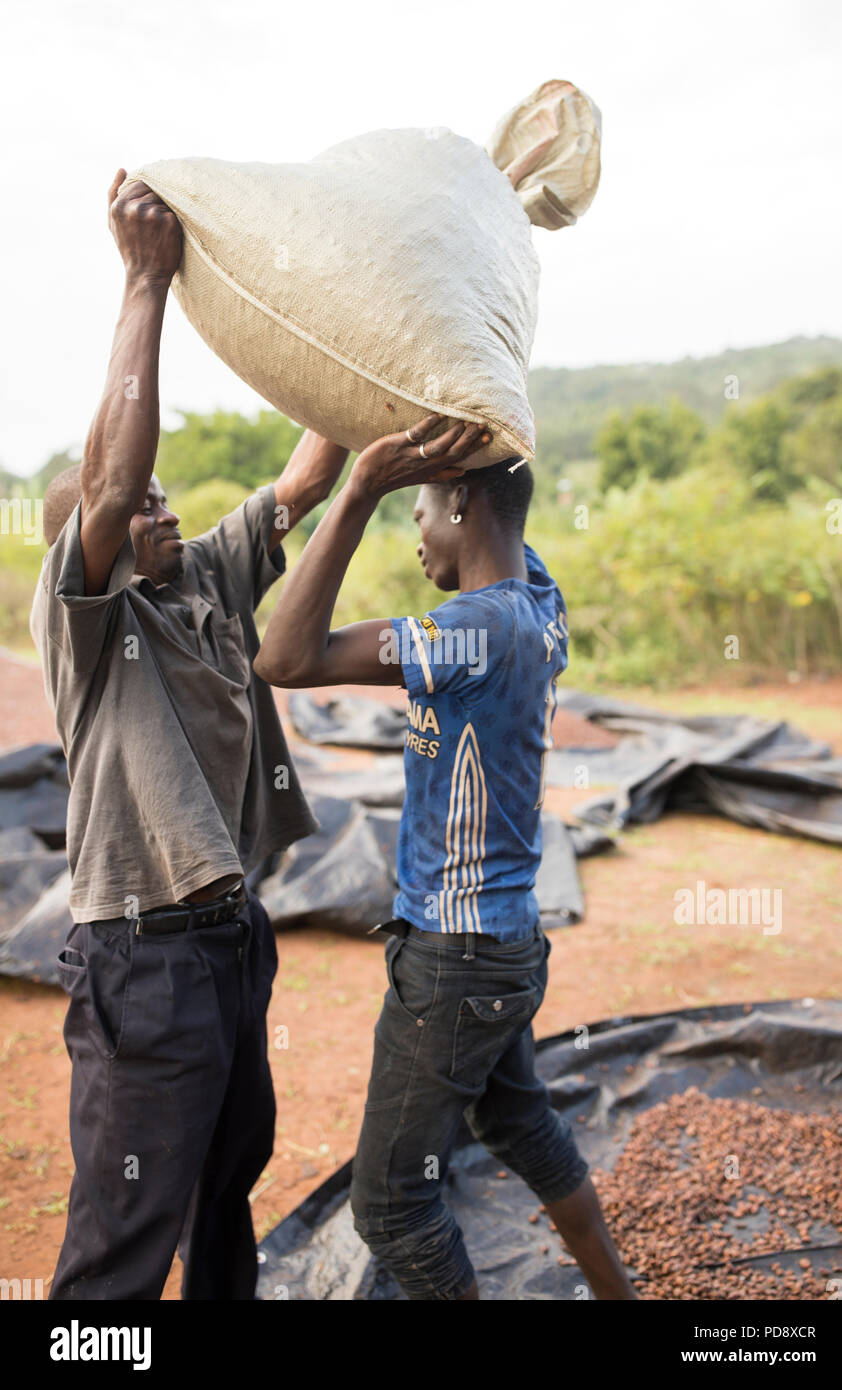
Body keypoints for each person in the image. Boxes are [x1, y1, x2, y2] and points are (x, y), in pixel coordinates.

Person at [31, 170, 350, 1300]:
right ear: (95, 548)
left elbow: (309, 471)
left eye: (167, 498)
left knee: (225, 1189)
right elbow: (108, 481)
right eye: (140, 507)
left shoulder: (204, 577)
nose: (158, 509)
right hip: (143, 956)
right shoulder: (85, 621)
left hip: (227, 939)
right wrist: (145, 280)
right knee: (126, 1235)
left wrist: (372, 349)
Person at [254, 414, 637, 1300]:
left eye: (418, 511)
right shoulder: (541, 602)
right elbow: (508, 528)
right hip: (507, 947)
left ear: (460, 502)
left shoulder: (472, 633)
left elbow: (284, 656)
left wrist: (356, 491)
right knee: (520, 1122)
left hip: (455, 966)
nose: (416, 535)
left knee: (390, 1206)